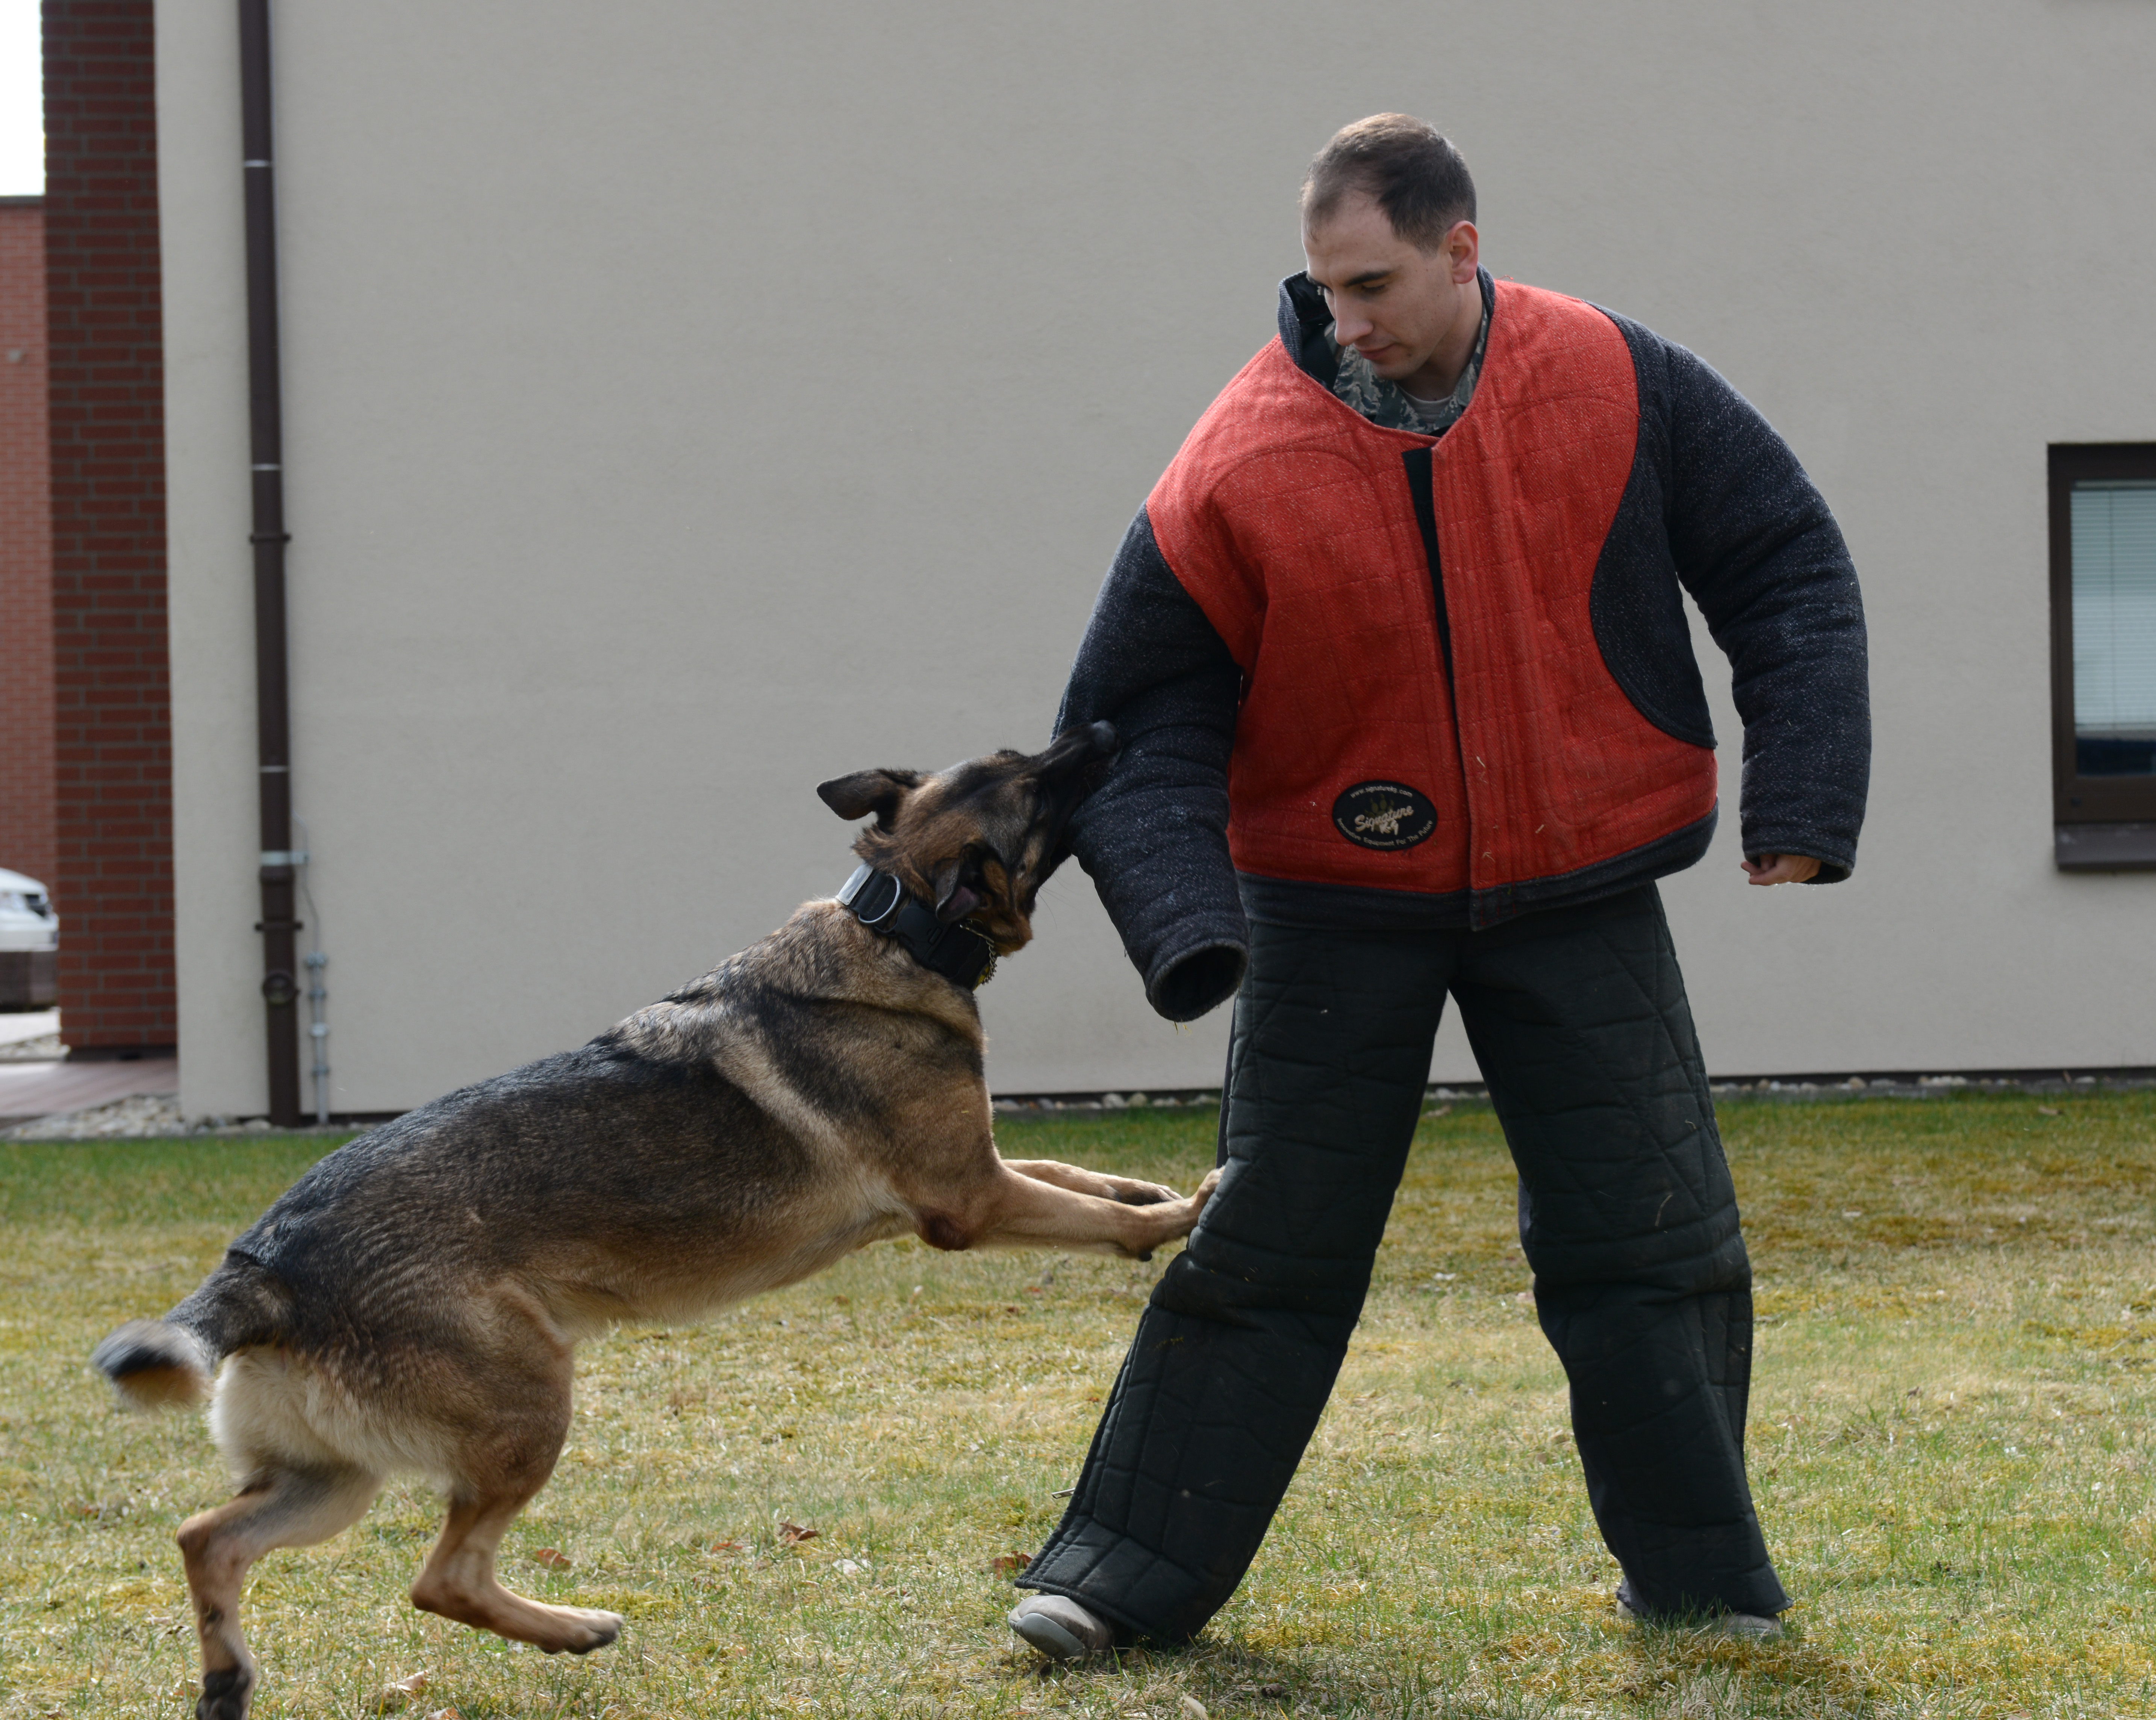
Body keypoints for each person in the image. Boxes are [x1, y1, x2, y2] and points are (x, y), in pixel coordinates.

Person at [1005, 115, 1869, 1661]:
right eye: (1326, 290)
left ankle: (1704, 1585)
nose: (1348, 320)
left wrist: (1801, 794)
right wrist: (1190, 926)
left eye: (1374, 282)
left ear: (1462, 247)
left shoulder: (1619, 379)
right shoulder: (1242, 456)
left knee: (1656, 1244)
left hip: (1583, 891)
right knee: (1265, 1252)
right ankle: (1114, 1581)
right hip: (1333, 911)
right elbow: (1130, 724)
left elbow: (1786, 561)